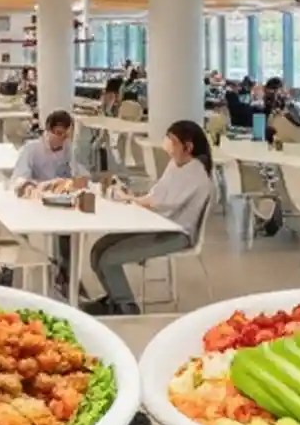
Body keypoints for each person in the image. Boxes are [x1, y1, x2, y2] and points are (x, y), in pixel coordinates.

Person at [86, 120, 213, 316]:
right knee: (98, 250)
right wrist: (134, 198)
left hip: (176, 234)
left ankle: (126, 306)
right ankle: (113, 299)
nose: (167, 144)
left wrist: (131, 199)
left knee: (108, 259)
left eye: (172, 140)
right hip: (158, 224)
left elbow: (165, 202)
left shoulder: (196, 172)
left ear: (188, 147)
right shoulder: (176, 164)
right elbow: (157, 193)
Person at [9, 110, 89, 290]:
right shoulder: (32, 149)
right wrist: (32, 188)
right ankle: (25, 271)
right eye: (58, 134)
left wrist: (75, 182)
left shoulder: (69, 150)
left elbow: (81, 176)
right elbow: (19, 179)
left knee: (72, 229)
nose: (62, 139)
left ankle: (68, 275)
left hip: (60, 202)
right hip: (35, 204)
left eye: (66, 135)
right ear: (48, 130)